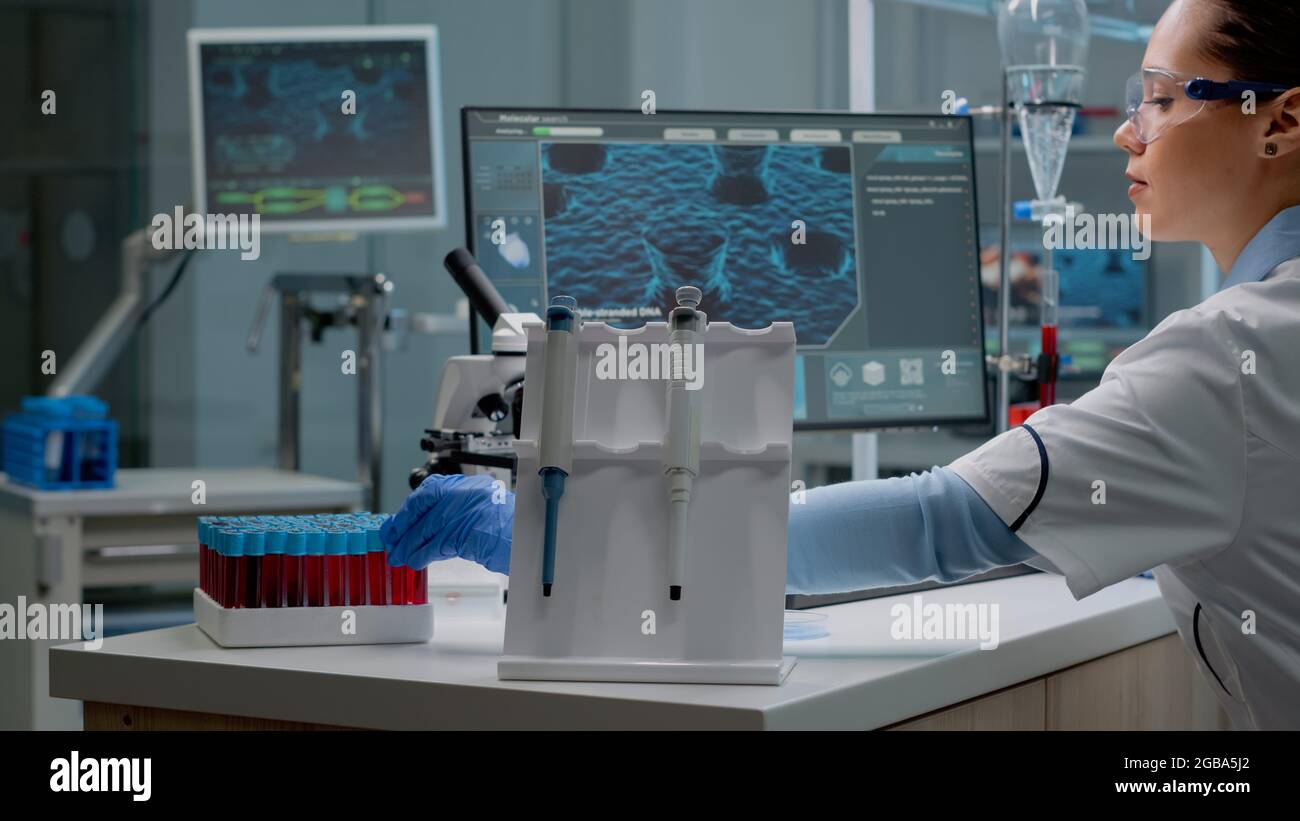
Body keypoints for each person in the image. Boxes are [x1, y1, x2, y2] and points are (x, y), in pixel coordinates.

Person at [383, 0, 1300, 730]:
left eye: (1164, 95)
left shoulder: (1225, 358)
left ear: (1281, 120)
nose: (1130, 133)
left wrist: (571, 539)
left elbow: (944, 523)